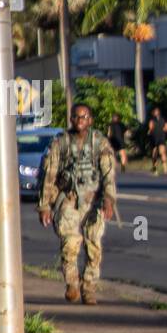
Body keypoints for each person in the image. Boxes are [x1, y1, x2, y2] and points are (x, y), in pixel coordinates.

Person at [38, 103, 117, 304]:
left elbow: (108, 173)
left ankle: (89, 287)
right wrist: (45, 205)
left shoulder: (99, 143)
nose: (80, 120)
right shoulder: (60, 143)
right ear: (71, 119)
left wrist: (109, 199)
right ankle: (72, 283)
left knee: (94, 246)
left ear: (90, 120)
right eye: (76, 117)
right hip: (69, 200)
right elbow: (49, 175)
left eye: (84, 117)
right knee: (70, 245)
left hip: (93, 202)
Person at [147, 105, 167, 174]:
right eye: (155, 112)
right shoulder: (152, 120)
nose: (155, 113)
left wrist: (166, 129)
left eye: (156, 112)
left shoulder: (162, 119)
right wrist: (150, 131)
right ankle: (155, 167)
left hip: (160, 138)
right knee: (155, 154)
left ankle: (164, 168)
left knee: (161, 152)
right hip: (155, 138)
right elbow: (150, 127)